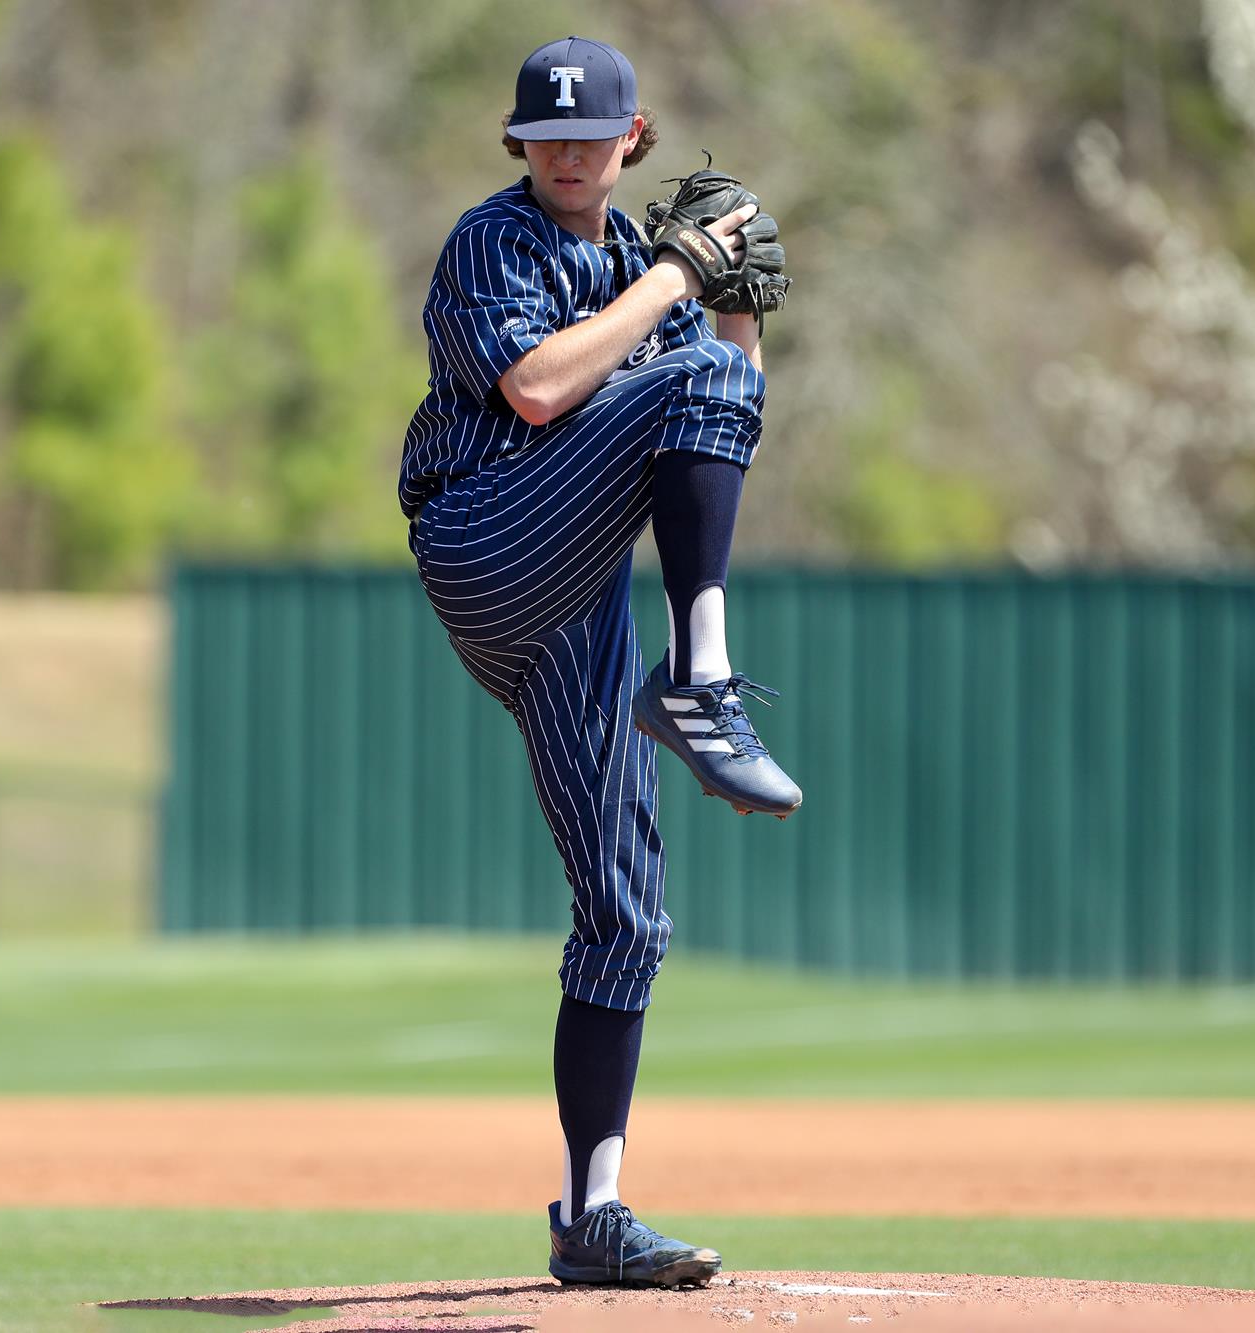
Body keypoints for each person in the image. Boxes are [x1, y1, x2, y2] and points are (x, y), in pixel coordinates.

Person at [398, 34, 800, 1289]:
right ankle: (697, 683)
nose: (568, 151)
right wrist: (680, 284)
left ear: (633, 143)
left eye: (591, 135)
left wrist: (729, 296)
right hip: (484, 530)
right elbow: (532, 388)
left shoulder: (637, 258)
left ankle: (593, 1212)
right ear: (517, 145)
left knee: (625, 915)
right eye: (545, 134)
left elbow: (726, 391)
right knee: (689, 373)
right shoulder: (492, 242)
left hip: (573, 594)